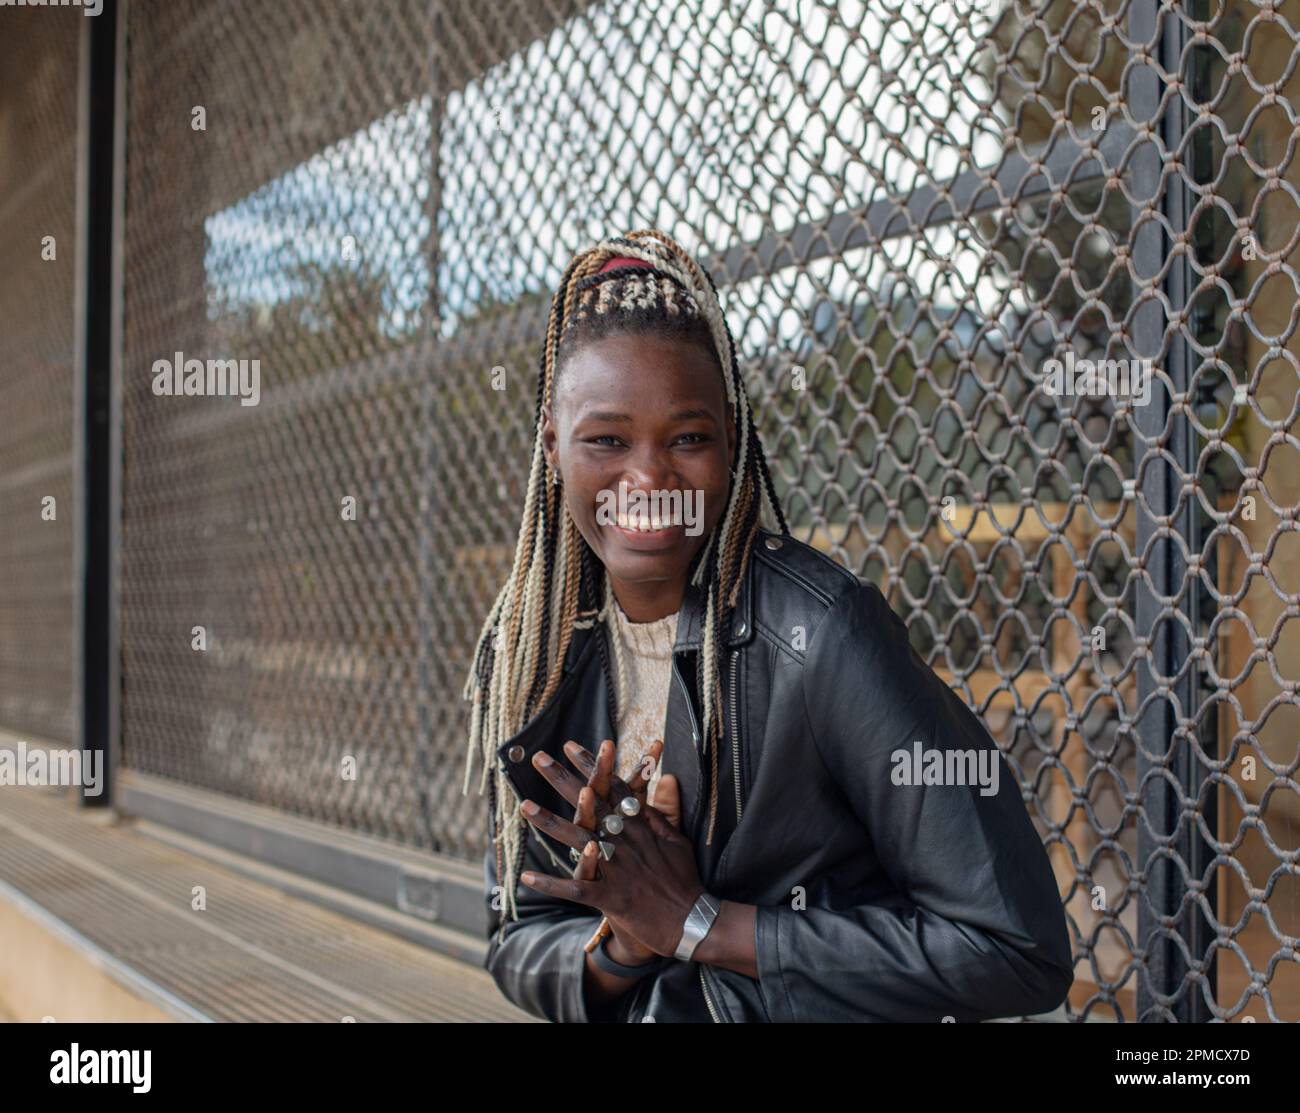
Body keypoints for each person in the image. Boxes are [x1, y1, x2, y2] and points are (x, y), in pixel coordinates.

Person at [461, 229, 1073, 1022]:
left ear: (732, 436)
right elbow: (516, 935)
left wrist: (704, 923)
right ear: (552, 443)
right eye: (606, 439)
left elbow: (1015, 947)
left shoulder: (821, 635)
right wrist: (626, 943)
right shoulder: (529, 656)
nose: (648, 479)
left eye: (688, 438)